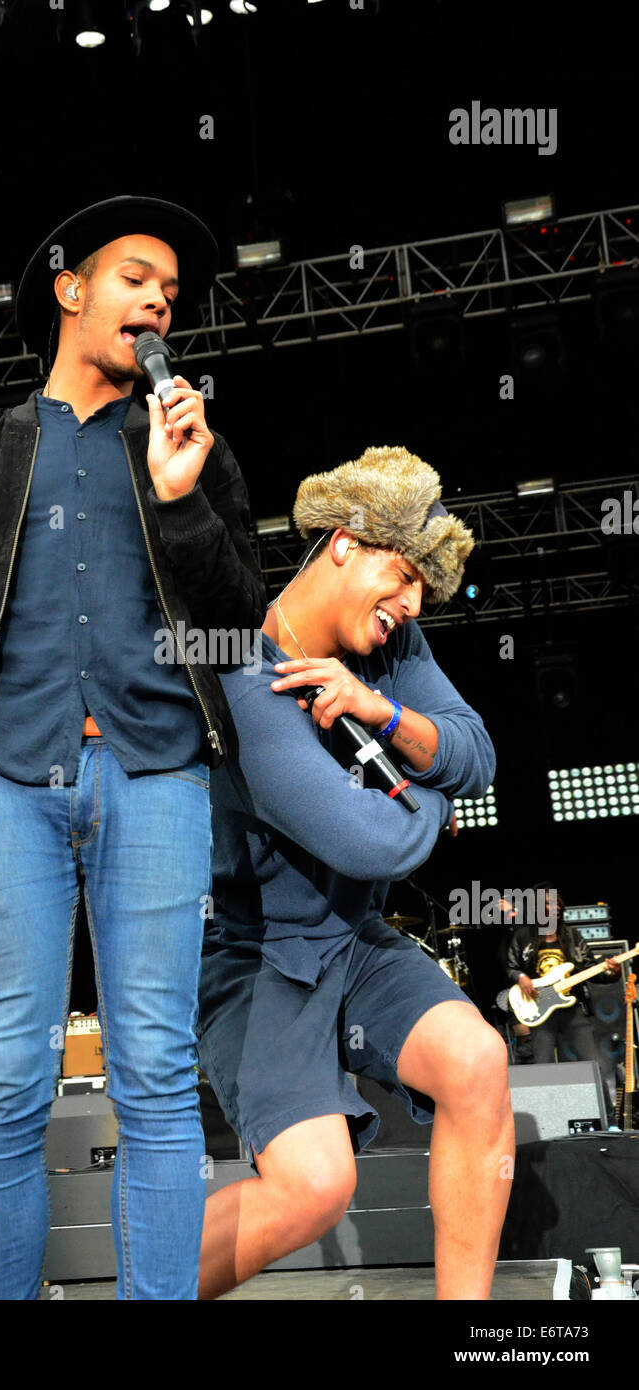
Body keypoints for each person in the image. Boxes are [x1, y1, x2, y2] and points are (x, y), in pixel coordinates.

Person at [0, 195, 266, 1300]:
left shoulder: (191, 445)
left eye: (171, 287)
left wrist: (181, 501)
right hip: (4, 782)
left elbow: (238, 622)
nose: (160, 297)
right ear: (70, 288)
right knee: (7, 1082)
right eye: (135, 275)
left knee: (160, 1079)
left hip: (159, 774)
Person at [196, 446, 514, 1301]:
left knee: (476, 1060)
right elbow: (375, 844)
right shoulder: (243, 676)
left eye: (419, 593)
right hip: (257, 961)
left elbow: (477, 755)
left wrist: (383, 711)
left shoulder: (391, 650)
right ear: (343, 543)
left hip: (352, 940)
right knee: (313, 1186)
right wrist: (429, 792)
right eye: (402, 576)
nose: (408, 606)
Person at [506, 883, 620, 1066]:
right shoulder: (523, 936)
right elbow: (511, 968)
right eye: (550, 904)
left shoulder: (572, 937)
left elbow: (592, 971)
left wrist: (613, 973)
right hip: (539, 1009)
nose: (556, 908)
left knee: (591, 1064)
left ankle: (599, 1095)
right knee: (544, 1066)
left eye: (558, 904)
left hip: (572, 1009)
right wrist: (521, 977)